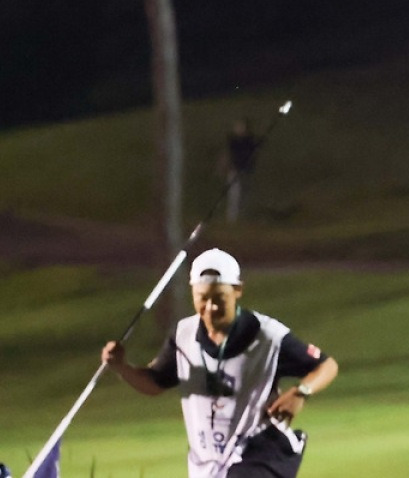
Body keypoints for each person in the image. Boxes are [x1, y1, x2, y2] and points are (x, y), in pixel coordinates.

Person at [102, 248, 339, 478]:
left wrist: (301, 392)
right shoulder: (184, 334)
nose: (210, 308)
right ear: (192, 292)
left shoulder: (269, 336)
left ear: (238, 291)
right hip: (207, 462)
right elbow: (154, 383)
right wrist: (122, 367)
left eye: (219, 298)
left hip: (260, 452)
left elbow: (327, 366)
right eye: (202, 299)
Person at [223, 120, 261, 222]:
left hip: (245, 171)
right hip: (235, 171)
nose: (238, 129)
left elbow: (253, 150)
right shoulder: (233, 141)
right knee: (233, 195)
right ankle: (231, 219)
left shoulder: (249, 140)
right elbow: (231, 154)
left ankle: (243, 218)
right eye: (237, 127)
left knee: (244, 196)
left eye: (241, 127)